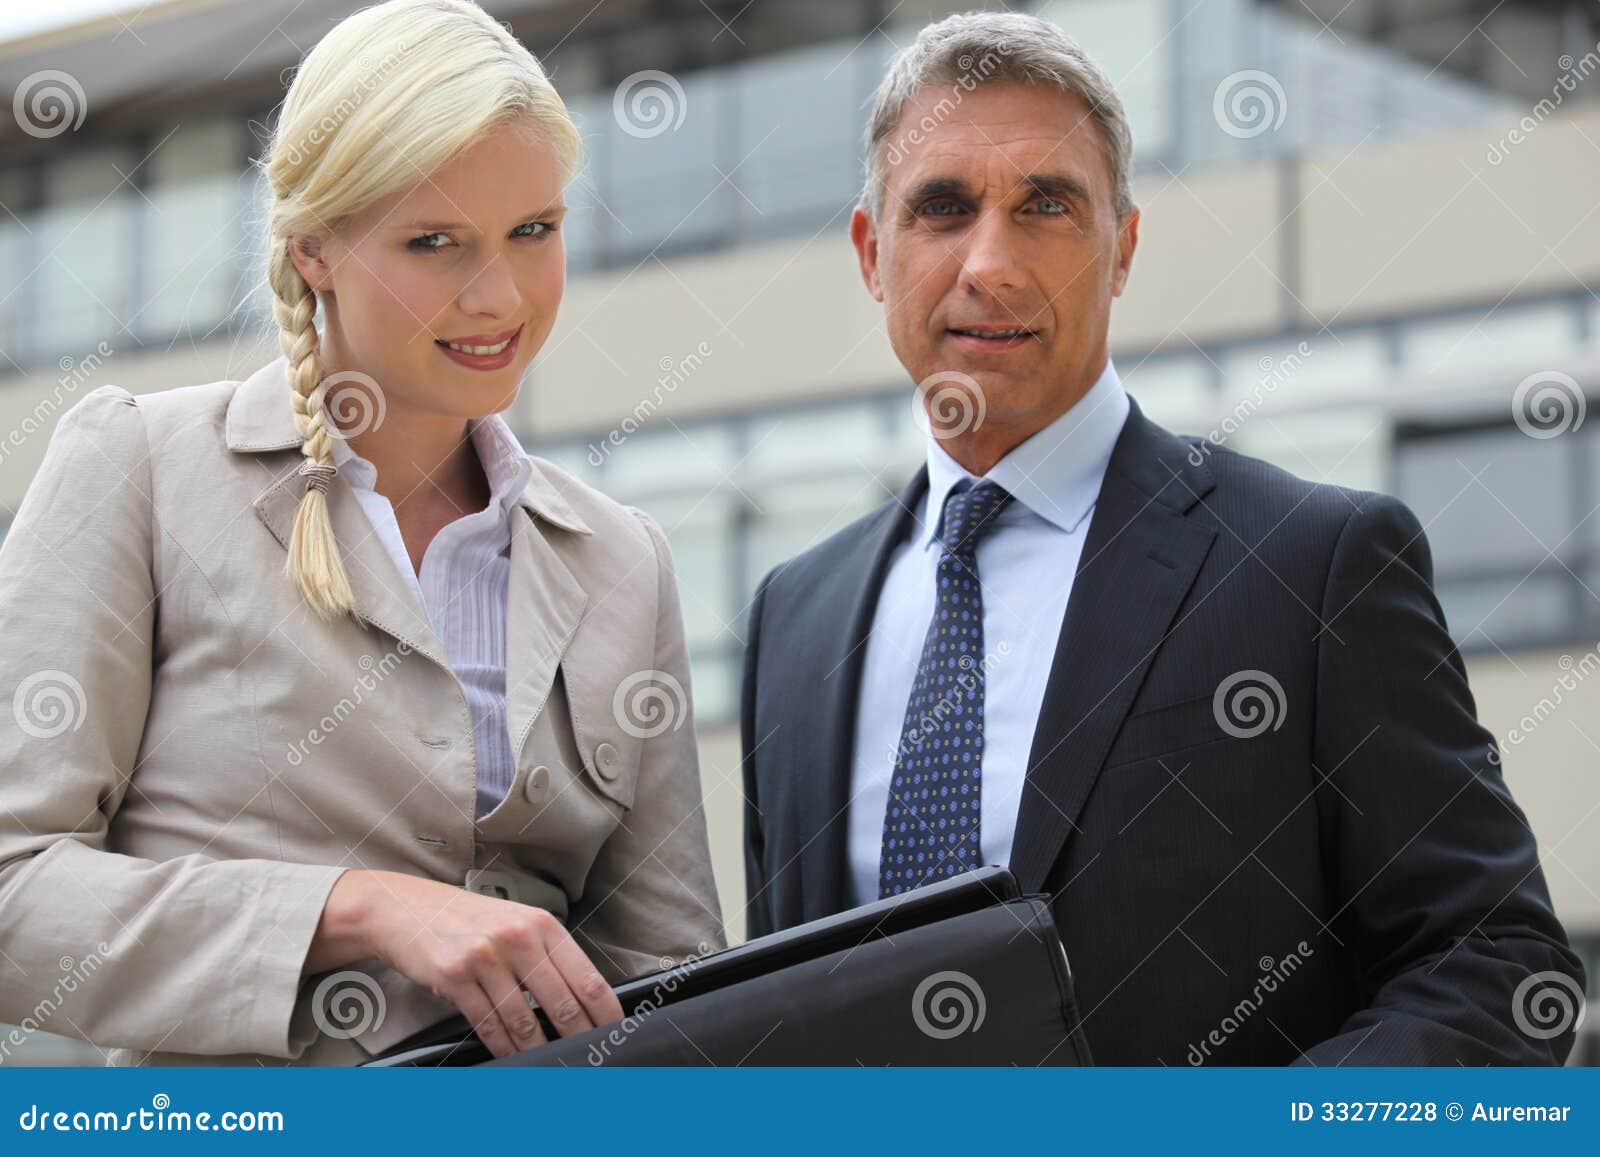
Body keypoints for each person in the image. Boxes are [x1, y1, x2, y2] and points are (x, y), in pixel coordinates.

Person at [739, 10, 1585, 1065]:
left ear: (1122, 250)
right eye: (943, 207)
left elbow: (1496, 964)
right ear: (874, 254)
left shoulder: (1311, 565)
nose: (990, 262)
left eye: (1046, 204)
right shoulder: (794, 619)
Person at [0, 0, 722, 1066]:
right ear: (315, 250)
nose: (498, 296)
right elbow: (13, 887)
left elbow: (673, 981)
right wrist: (359, 907)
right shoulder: (143, 468)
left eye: (534, 231)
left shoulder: (623, 559)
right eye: (435, 242)